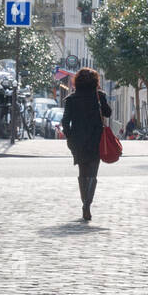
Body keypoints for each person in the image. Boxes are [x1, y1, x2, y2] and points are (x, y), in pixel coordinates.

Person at [59, 67, 112, 222]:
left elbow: (65, 121)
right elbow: (108, 113)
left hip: (78, 140)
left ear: (77, 81)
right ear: (95, 81)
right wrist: (101, 100)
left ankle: (85, 203)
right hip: (96, 138)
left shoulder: (71, 99)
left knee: (83, 173)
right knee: (93, 175)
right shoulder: (99, 96)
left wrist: (70, 137)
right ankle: (87, 205)